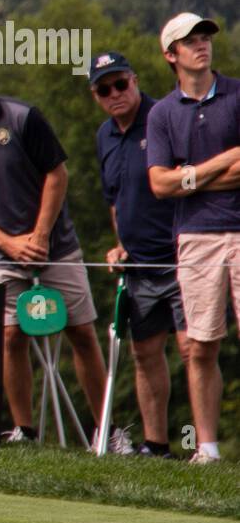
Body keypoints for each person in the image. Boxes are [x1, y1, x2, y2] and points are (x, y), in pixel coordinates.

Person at [0, 51, 107, 445]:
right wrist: (8, 243)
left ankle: (107, 430)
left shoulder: (22, 117)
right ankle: (24, 431)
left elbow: (57, 174)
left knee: (81, 332)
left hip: (55, 245)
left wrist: (41, 235)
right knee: (11, 337)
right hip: (1, 252)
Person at [146, 13, 240, 466]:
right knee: (200, 344)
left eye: (205, 38)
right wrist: (223, 163)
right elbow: (159, 186)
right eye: (190, 41)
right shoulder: (162, 113)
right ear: (171, 54)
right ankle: (207, 448)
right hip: (195, 237)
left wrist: (189, 175)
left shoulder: (239, 94)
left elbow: (173, 180)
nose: (202, 45)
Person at [90, 50, 192, 456]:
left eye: (120, 83)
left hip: (182, 255)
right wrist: (120, 244)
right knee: (145, 353)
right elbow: (115, 200)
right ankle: (156, 445)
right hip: (139, 264)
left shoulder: (165, 117)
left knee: (194, 350)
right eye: (104, 89)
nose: (114, 93)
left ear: (134, 80)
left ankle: (206, 447)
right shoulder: (104, 136)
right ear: (96, 96)